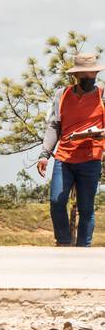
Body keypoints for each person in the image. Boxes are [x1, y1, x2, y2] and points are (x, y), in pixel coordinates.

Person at [38, 53, 105, 247]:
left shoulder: (102, 95)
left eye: (92, 75)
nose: (89, 79)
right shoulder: (62, 95)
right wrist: (45, 154)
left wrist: (98, 134)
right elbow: (54, 126)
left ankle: (83, 249)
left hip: (91, 158)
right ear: (76, 76)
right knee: (57, 202)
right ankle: (64, 243)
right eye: (84, 76)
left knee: (86, 209)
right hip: (64, 157)